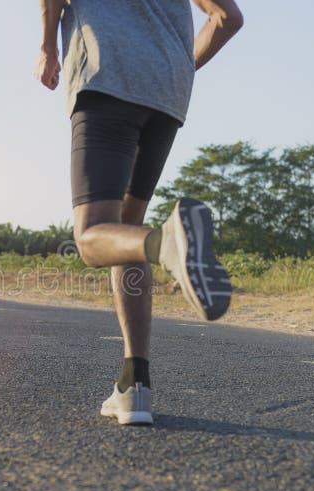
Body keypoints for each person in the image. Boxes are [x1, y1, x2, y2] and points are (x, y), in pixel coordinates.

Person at [36, 0, 243, 425]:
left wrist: (47, 48)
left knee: (92, 237)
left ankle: (167, 243)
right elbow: (227, 18)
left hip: (107, 77)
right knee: (123, 235)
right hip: (166, 96)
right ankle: (135, 387)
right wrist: (171, 66)